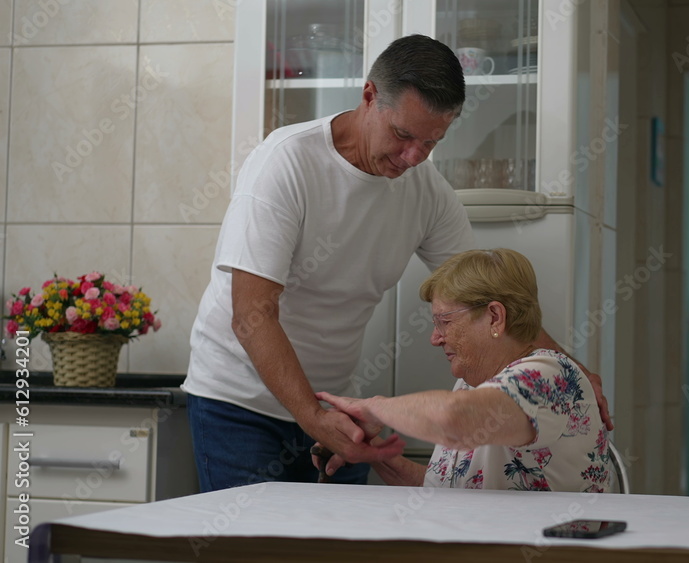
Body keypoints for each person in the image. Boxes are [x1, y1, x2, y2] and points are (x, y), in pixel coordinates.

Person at [183, 34, 611, 492]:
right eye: (403, 135)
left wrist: (569, 369)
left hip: (336, 405)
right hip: (239, 402)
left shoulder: (426, 191)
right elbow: (252, 312)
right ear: (369, 97)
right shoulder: (285, 163)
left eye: (430, 143)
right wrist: (310, 415)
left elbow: (490, 299)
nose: (413, 157)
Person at [314, 249, 613, 492]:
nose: (435, 338)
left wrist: (373, 409)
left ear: (495, 316)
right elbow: (445, 491)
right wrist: (373, 451)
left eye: (445, 321)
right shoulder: (476, 385)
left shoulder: (550, 375)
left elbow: (453, 418)